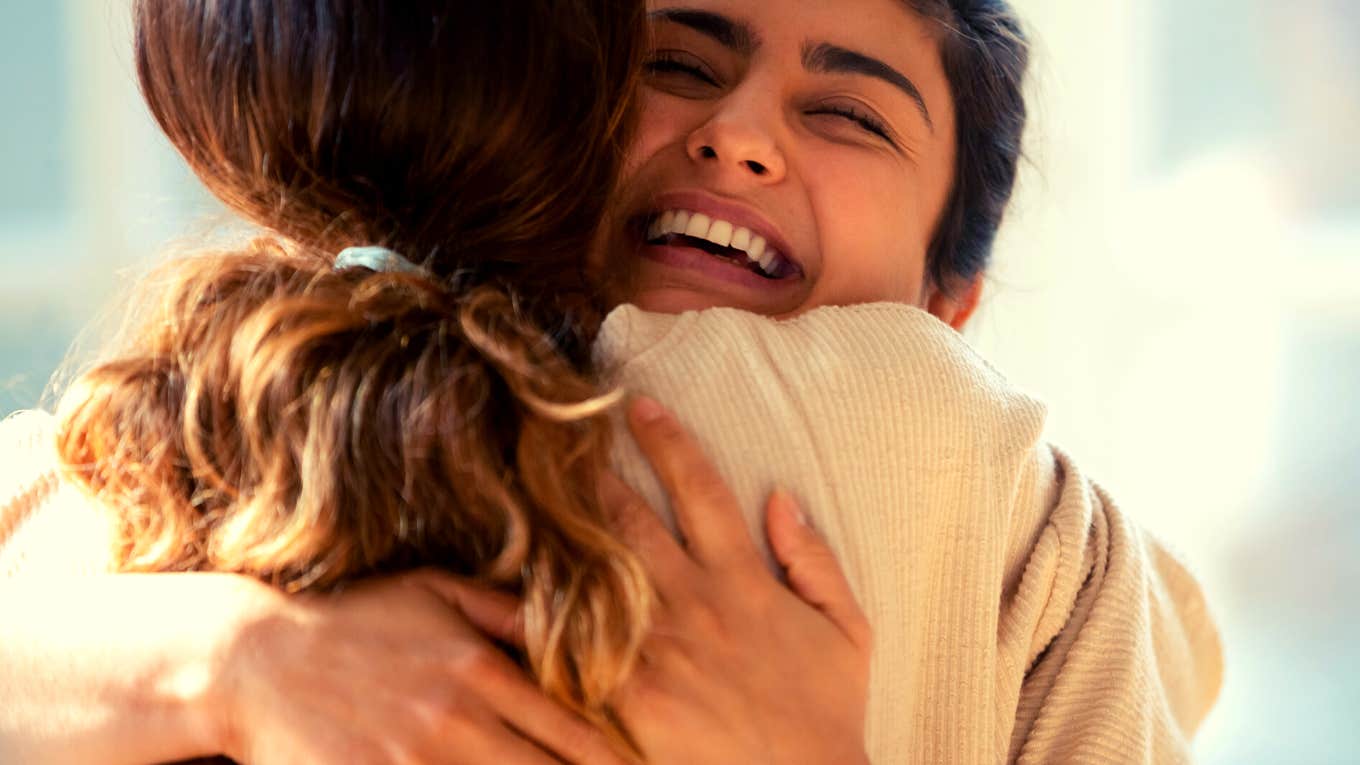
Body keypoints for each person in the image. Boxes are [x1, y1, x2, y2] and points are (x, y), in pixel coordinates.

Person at [1, 0, 1223, 762]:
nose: (739, 133)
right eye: (682, 64)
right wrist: (237, 659)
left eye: (848, 113)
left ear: (947, 303)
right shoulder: (217, 400)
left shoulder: (1042, 546)